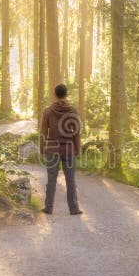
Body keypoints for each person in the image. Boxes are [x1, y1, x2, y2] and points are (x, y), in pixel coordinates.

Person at [39, 84, 82, 215]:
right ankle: (74, 209)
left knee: (51, 179)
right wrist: (77, 149)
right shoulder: (72, 111)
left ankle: (48, 207)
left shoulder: (47, 111)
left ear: (55, 94)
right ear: (66, 94)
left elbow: (43, 132)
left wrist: (42, 148)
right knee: (71, 180)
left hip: (52, 150)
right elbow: (76, 133)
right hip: (69, 150)